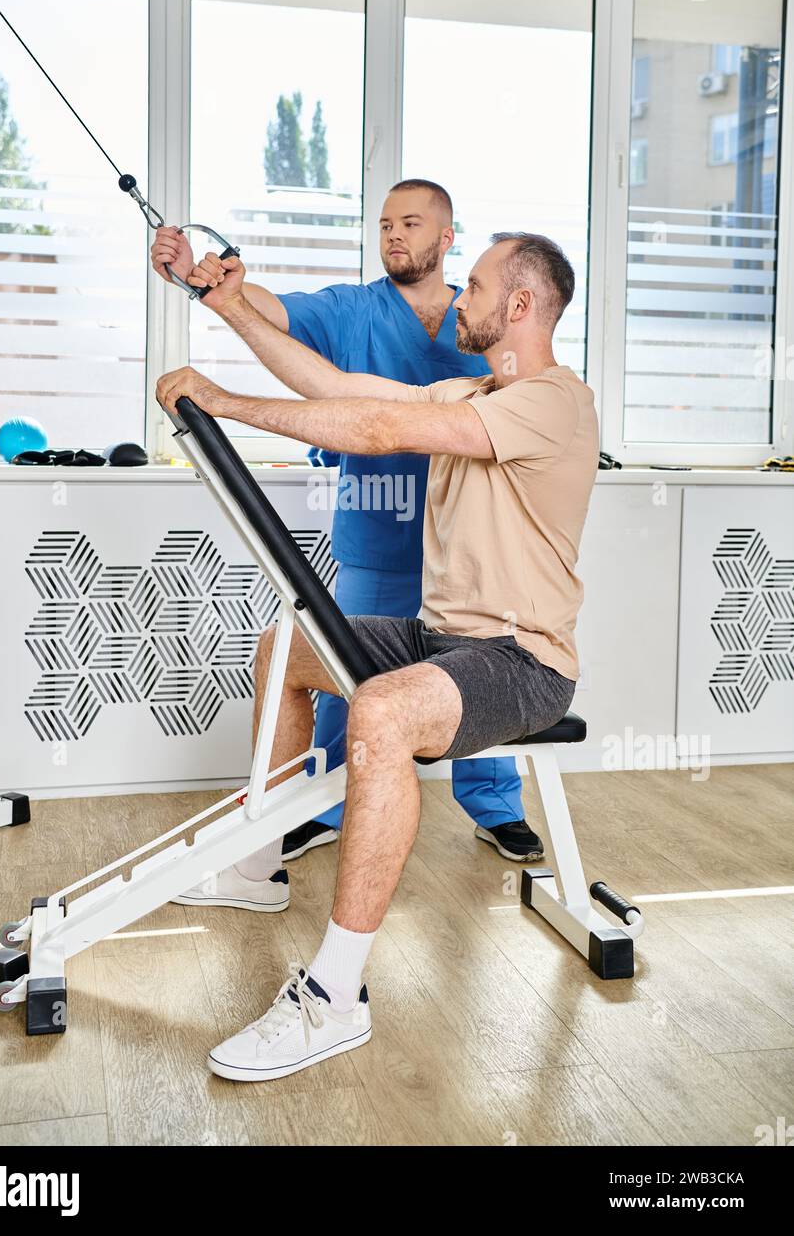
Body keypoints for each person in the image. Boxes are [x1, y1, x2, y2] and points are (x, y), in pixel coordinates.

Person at [156, 231, 598, 1081]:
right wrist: (229, 307)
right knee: (289, 645)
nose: (455, 300)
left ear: (519, 305)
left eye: (471, 286)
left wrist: (228, 404)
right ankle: (257, 866)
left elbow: (383, 426)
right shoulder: (471, 389)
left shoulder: (553, 401)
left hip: (523, 659)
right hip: (441, 637)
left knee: (382, 712)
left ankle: (334, 995)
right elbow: (335, 386)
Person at [151, 181, 540, 902]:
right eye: (385, 224)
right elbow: (274, 313)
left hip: (467, 545)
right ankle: (319, 804)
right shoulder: (352, 309)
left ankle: (496, 807)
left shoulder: (479, 320)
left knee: (482, 676)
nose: (394, 235)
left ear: (448, 236)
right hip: (377, 532)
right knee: (339, 672)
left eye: (411, 223)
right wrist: (206, 282)